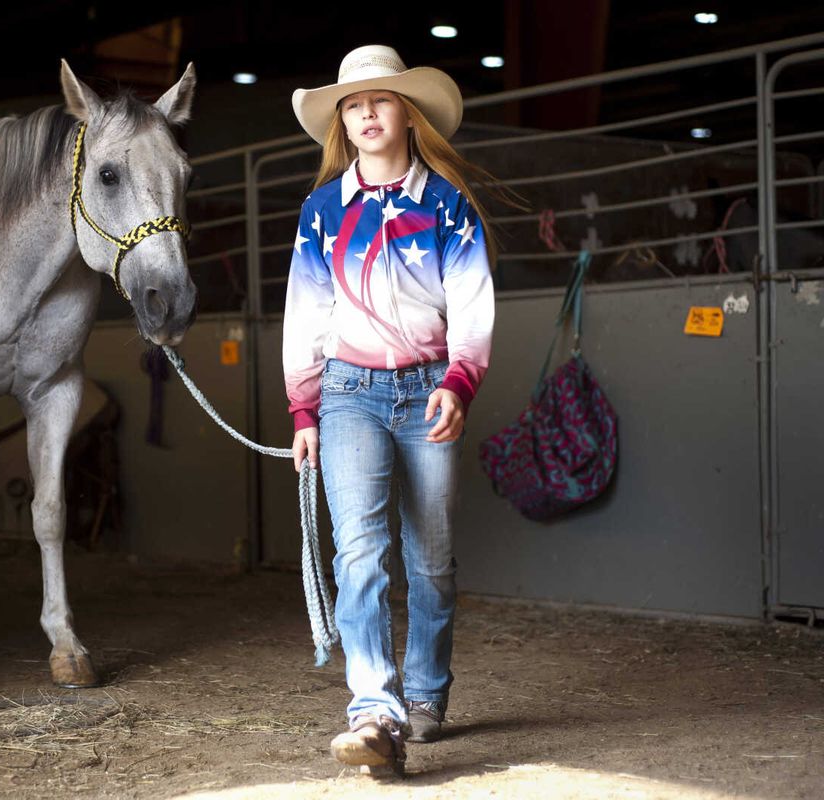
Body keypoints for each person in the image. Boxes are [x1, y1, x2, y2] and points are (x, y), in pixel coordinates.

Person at [283, 44, 499, 774]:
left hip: (430, 388)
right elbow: (305, 314)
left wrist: (461, 380)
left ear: (407, 112)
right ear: (342, 121)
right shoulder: (321, 212)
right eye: (353, 103)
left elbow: (471, 299)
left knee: (431, 558)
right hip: (348, 394)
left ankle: (428, 694)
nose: (366, 112)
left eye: (379, 100)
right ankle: (374, 708)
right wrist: (303, 409)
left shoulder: (445, 203)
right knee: (360, 551)